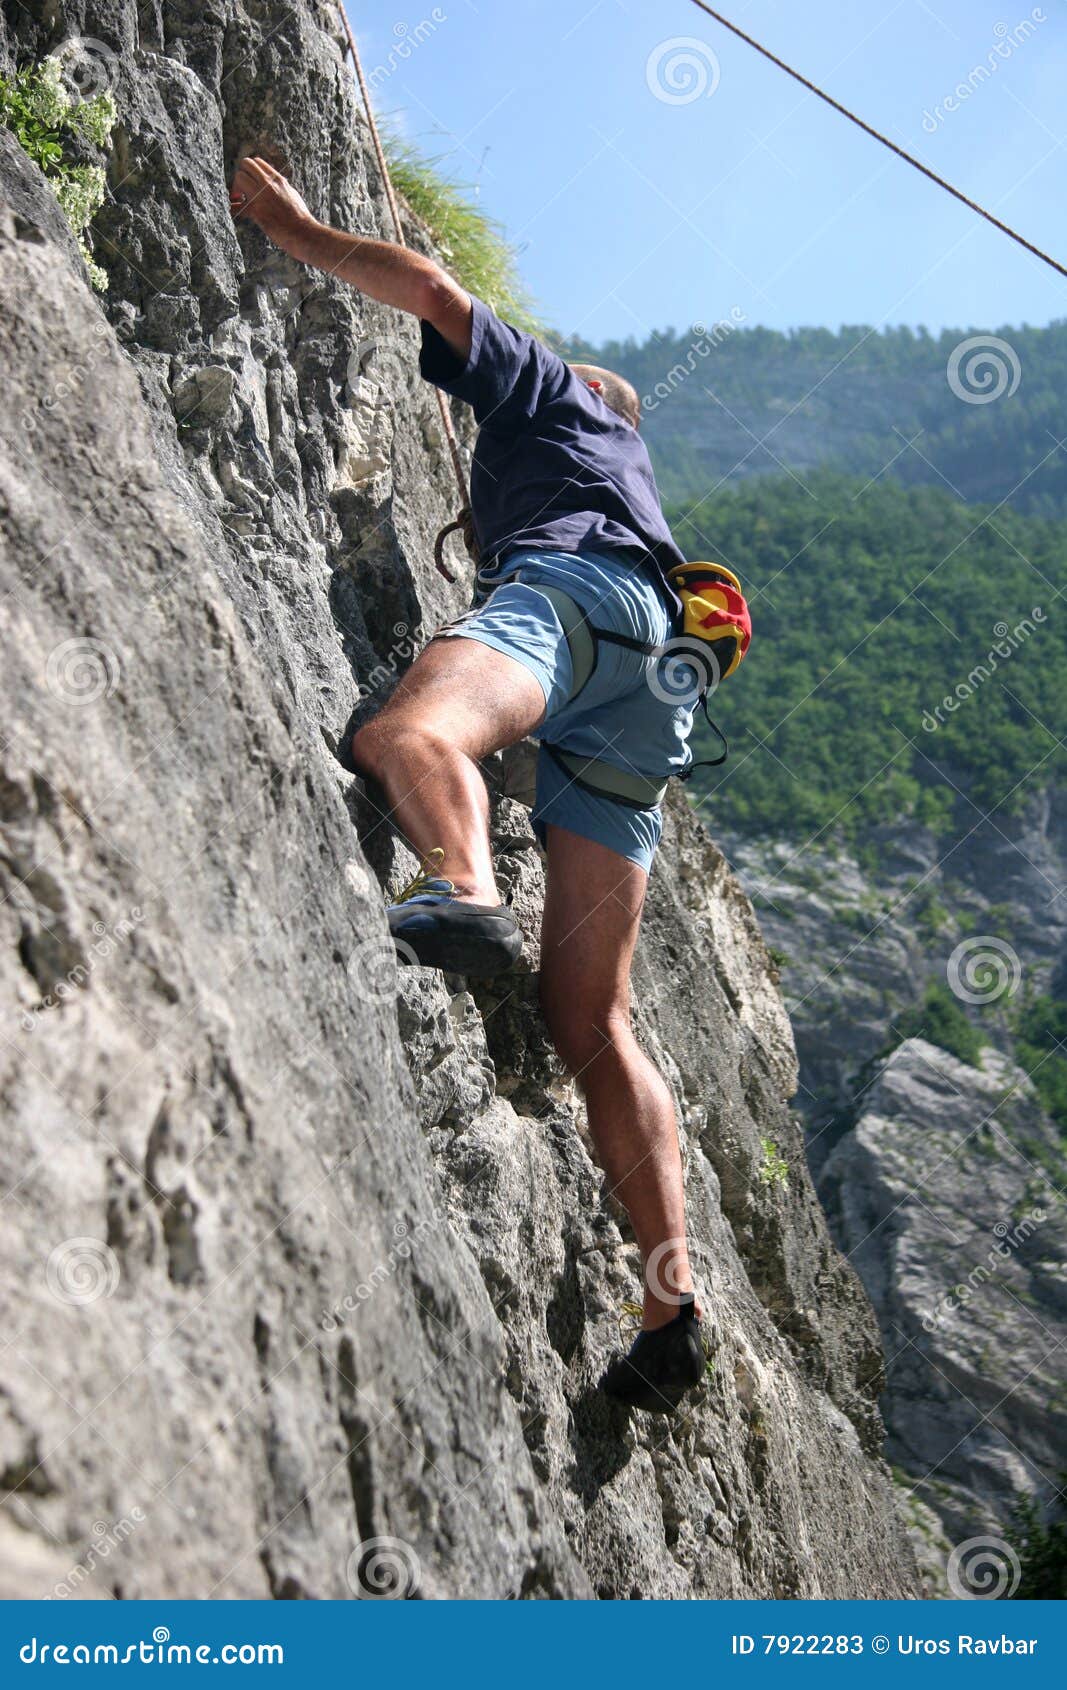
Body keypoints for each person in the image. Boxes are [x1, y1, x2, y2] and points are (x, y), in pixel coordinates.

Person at [231, 156, 705, 1411]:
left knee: (408, 738)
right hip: (653, 679)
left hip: (574, 603)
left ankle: (461, 888)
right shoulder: (620, 467)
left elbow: (436, 291)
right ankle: (669, 1304)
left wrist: (292, 227)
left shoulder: (556, 392)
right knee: (591, 1021)